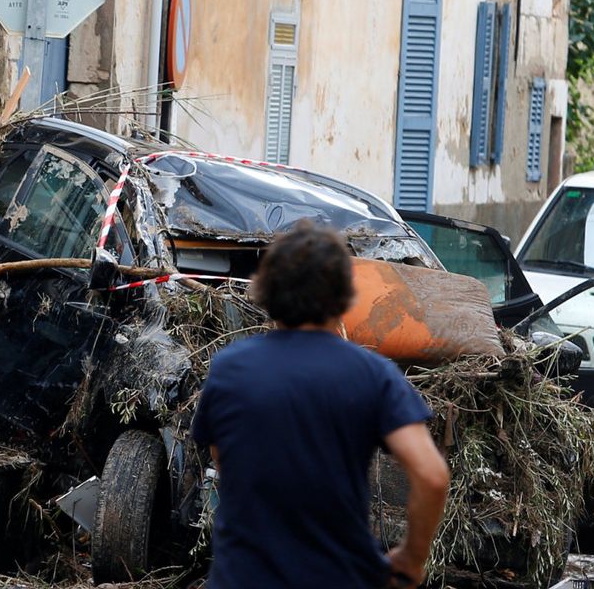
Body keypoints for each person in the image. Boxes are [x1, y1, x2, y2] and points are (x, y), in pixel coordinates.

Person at [192, 220, 451, 588]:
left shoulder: (229, 368)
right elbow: (431, 475)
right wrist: (411, 558)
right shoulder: (373, 375)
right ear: (343, 294)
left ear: (268, 290)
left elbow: (221, 457)